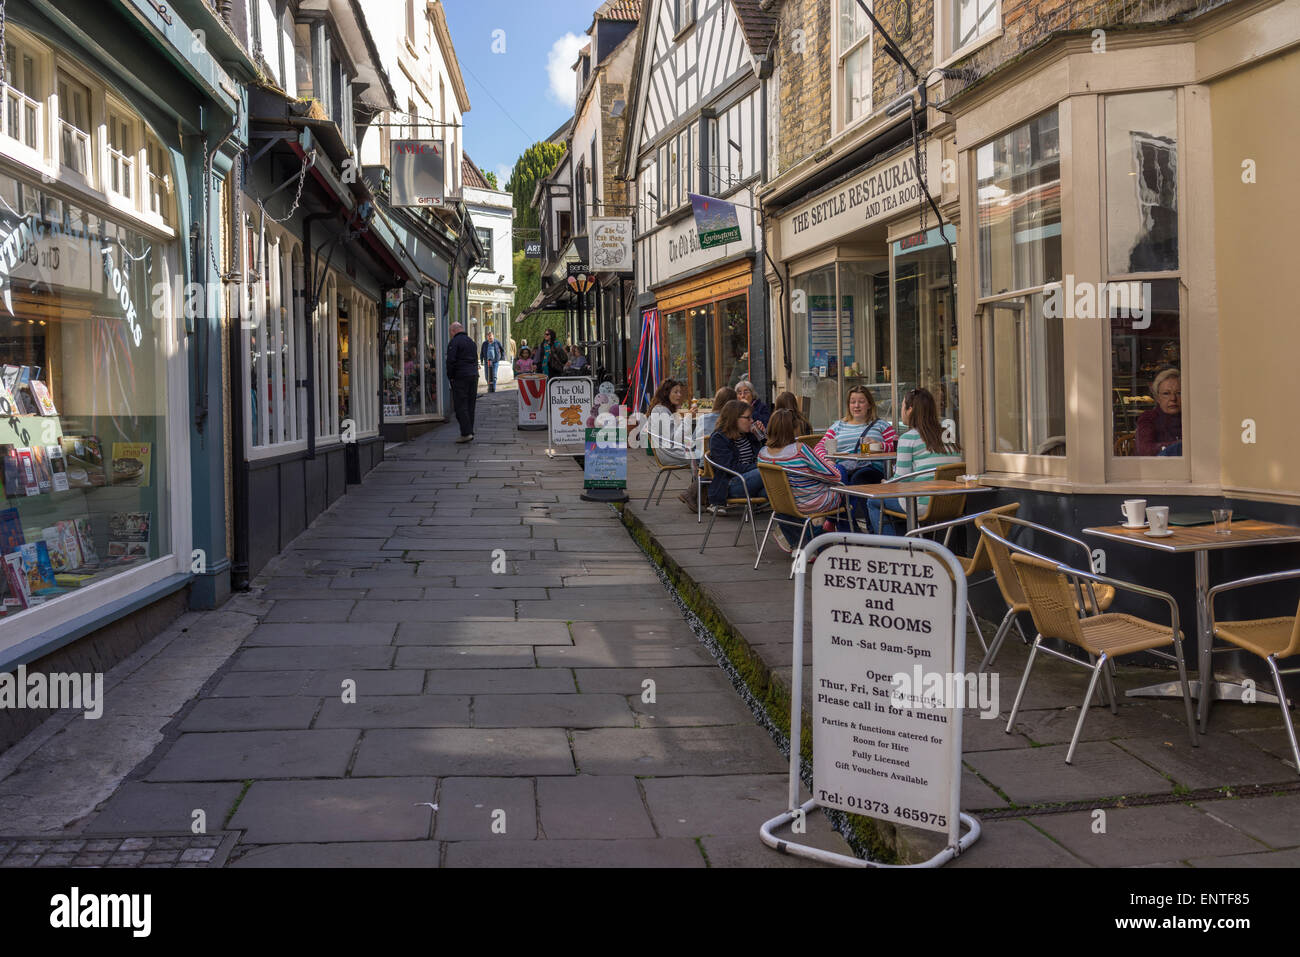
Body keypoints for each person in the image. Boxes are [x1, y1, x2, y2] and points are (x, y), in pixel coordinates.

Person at [868, 387, 963, 534]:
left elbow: (900, 481)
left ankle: (894, 551)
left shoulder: (908, 437)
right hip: (952, 504)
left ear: (910, 409)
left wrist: (886, 485)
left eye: (902, 407)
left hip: (922, 504)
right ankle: (907, 544)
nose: (901, 411)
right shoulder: (948, 434)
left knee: (874, 501)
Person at [759, 409, 849, 550]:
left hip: (784, 504)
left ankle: (812, 538)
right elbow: (834, 476)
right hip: (811, 502)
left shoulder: (762, 454)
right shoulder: (800, 449)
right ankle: (843, 534)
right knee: (843, 474)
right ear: (793, 429)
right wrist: (832, 465)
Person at [815, 386, 897, 485]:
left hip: (871, 470)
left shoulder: (881, 425)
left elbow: (898, 447)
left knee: (859, 478)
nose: (856, 406)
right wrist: (827, 460)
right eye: (852, 402)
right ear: (848, 405)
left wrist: (880, 446)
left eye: (861, 402)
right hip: (842, 468)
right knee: (837, 474)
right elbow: (819, 447)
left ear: (869, 405)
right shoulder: (837, 426)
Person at [706, 400, 765, 515]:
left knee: (782, 486)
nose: (752, 421)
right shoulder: (719, 438)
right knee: (767, 471)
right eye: (748, 418)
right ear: (734, 419)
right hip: (731, 484)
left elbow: (766, 452)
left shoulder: (748, 434)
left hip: (753, 480)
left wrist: (762, 436)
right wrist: (759, 466)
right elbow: (731, 468)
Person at [445, 321, 479, 443]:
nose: (450, 334)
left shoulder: (454, 342)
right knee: (471, 404)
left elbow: (451, 361)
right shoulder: (471, 342)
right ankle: (470, 430)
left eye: (450, 332)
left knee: (460, 404)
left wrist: (451, 376)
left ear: (454, 330)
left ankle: (466, 432)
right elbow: (475, 359)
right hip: (473, 375)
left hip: (460, 376)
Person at [1136, 368, 1182, 456]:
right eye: (1166, 393)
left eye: (1178, 393)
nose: (1173, 398)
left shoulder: (1190, 417)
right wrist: (1180, 446)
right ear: (1157, 398)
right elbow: (1146, 450)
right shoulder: (1148, 418)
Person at [647, 378, 691, 466]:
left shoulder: (663, 409)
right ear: (666, 394)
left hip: (670, 452)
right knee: (706, 457)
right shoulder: (660, 411)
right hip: (670, 455)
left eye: (680, 392)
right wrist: (688, 417)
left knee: (708, 455)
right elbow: (675, 439)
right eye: (675, 392)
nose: (679, 395)